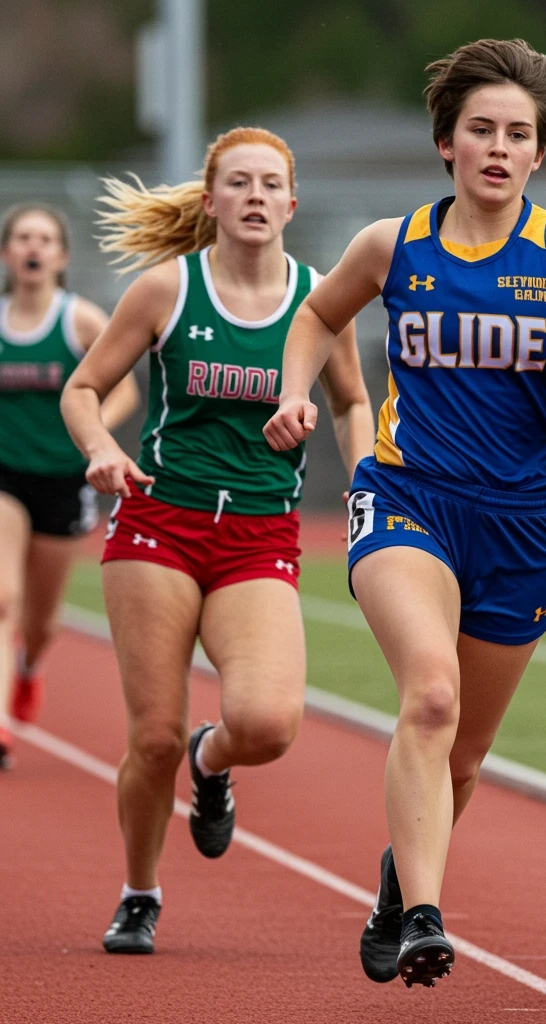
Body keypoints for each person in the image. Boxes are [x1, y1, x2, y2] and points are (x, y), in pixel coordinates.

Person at [264, 38, 546, 989]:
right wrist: (294, 391)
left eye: (518, 134)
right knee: (430, 695)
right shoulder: (392, 243)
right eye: (480, 129)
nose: (498, 147)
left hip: (523, 518)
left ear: (538, 153)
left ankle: (401, 884)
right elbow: (317, 316)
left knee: (467, 753)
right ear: (446, 142)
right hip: (409, 498)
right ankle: (431, 919)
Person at [61, 127, 374, 954]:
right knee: (151, 735)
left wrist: (365, 472)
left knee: (267, 722)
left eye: (272, 185)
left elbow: (351, 402)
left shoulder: (319, 300)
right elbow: (85, 387)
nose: (257, 198)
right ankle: (139, 891)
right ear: (212, 201)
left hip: (258, 535)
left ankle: (213, 763)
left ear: (292, 204)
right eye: (239, 184)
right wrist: (100, 447)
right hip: (160, 523)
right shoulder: (166, 290)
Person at [0, 204, 139, 770]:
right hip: (4, 475)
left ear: (61, 255)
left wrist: (95, 438)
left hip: (62, 478)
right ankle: (2, 726)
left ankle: (29, 667)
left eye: (45, 239)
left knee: (41, 620)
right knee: (2, 596)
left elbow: (124, 387)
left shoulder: (78, 319)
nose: (33, 248)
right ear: (8, 253)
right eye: (23, 238)